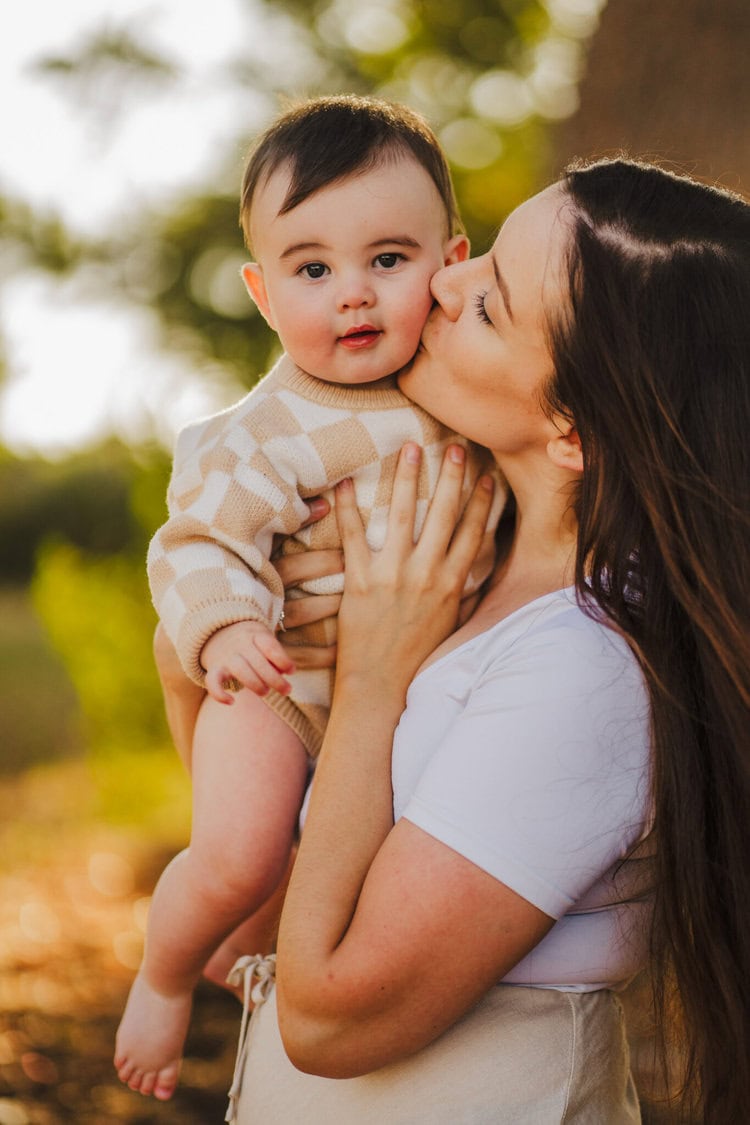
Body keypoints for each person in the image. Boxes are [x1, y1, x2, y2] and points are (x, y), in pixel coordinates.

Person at [222, 157, 750, 1124]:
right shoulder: (453, 568)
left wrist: (373, 681)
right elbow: (266, 898)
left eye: (489, 304)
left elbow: (330, 1020)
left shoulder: (587, 666)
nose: (442, 280)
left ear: (571, 430)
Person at [114, 95, 504, 1101]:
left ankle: (254, 955)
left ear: (451, 261)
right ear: (262, 291)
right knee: (240, 852)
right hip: (279, 680)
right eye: (313, 269)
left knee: (361, 880)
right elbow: (199, 543)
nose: (354, 295)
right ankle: (165, 976)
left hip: (404, 696)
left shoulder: (466, 393)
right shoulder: (264, 430)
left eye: (389, 259)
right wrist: (227, 628)